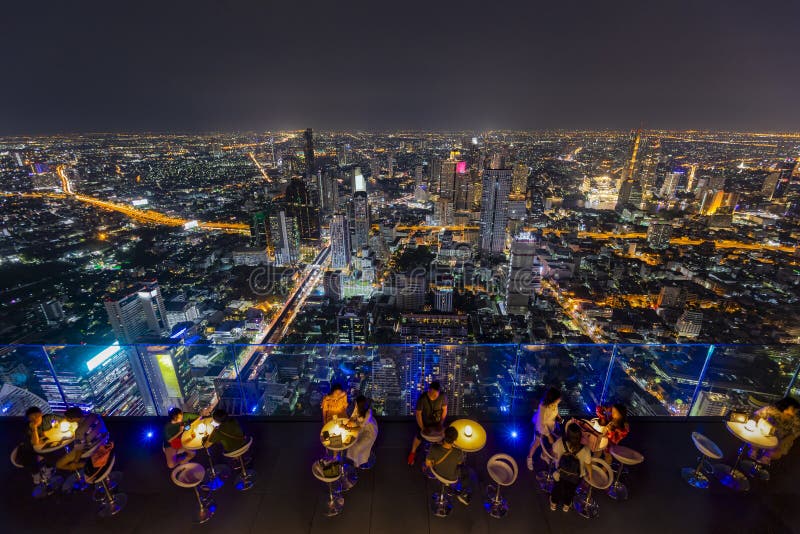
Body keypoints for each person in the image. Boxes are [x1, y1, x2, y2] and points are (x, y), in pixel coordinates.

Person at [550, 422, 592, 512]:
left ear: (567, 434)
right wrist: (590, 476)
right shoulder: (585, 449)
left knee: (557, 488)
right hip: (575, 476)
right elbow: (588, 464)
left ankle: (553, 504)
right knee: (570, 491)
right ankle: (566, 505)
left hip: (560, 473)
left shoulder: (560, 442)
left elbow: (553, 454)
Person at [425, 425, 471, 505]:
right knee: (466, 472)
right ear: (455, 439)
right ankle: (461, 493)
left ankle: (447, 487)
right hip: (452, 478)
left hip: (437, 472)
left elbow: (427, 463)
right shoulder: (458, 452)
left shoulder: (434, 447)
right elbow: (459, 463)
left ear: (444, 435)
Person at [56, 406, 109, 472]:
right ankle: (94, 463)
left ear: (72, 419)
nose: (65, 419)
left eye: (67, 418)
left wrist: (75, 462)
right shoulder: (94, 415)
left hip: (92, 448)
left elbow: (79, 449)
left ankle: (89, 465)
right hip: (103, 439)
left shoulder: (79, 431)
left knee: (59, 464)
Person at [407, 381, 447, 466]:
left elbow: (444, 410)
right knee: (418, 436)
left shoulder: (442, 396)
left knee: (443, 436)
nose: (436, 396)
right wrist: (422, 428)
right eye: (434, 394)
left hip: (437, 422)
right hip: (424, 422)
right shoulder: (423, 398)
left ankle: (440, 455)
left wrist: (441, 423)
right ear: (429, 390)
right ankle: (413, 452)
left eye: (437, 394)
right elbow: (418, 414)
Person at [752, 397, 800, 462]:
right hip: (761, 435)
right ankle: (754, 452)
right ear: (787, 406)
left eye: (796, 411)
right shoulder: (769, 410)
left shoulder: (795, 421)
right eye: (794, 409)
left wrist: (773, 449)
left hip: (778, 442)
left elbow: (791, 437)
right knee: (754, 444)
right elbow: (756, 418)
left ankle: (764, 458)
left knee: (775, 453)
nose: (795, 412)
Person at [526, 386, 562, 471]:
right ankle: (529, 458)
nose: (559, 401)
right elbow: (541, 423)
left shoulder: (554, 404)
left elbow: (556, 413)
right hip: (540, 428)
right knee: (536, 444)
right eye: (558, 400)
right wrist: (549, 436)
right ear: (552, 399)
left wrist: (559, 418)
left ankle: (544, 455)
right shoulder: (543, 407)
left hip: (550, 427)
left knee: (545, 444)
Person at [346, 395, 378, 468]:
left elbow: (360, 427)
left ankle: (358, 462)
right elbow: (353, 416)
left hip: (369, 431)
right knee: (352, 443)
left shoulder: (368, 413)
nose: (355, 405)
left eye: (357, 403)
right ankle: (355, 459)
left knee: (357, 447)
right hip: (360, 427)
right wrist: (348, 423)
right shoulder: (357, 407)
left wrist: (349, 429)